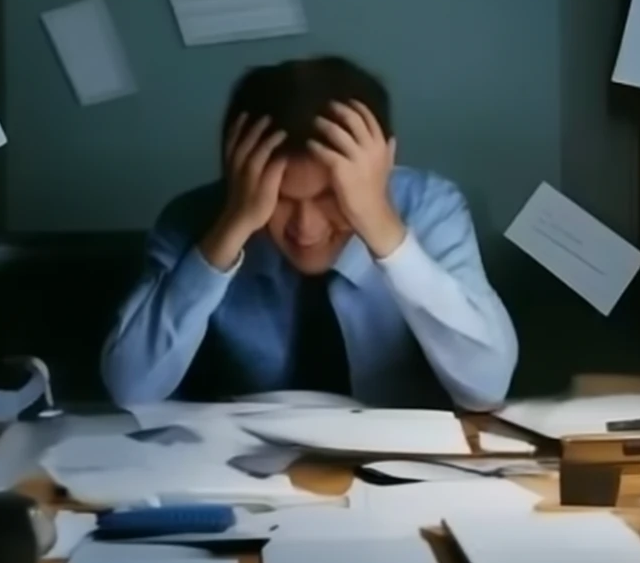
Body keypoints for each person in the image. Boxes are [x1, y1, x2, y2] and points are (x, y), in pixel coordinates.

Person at [101, 55, 518, 410]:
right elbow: (130, 389)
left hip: (400, 473)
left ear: (382, 164)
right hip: (242, 472)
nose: (306, 227)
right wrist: (231, 228)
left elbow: (487, 385)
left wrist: (380, 225)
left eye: (330, 195)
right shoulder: (195, 219)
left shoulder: (430, 206)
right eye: (279, 198)